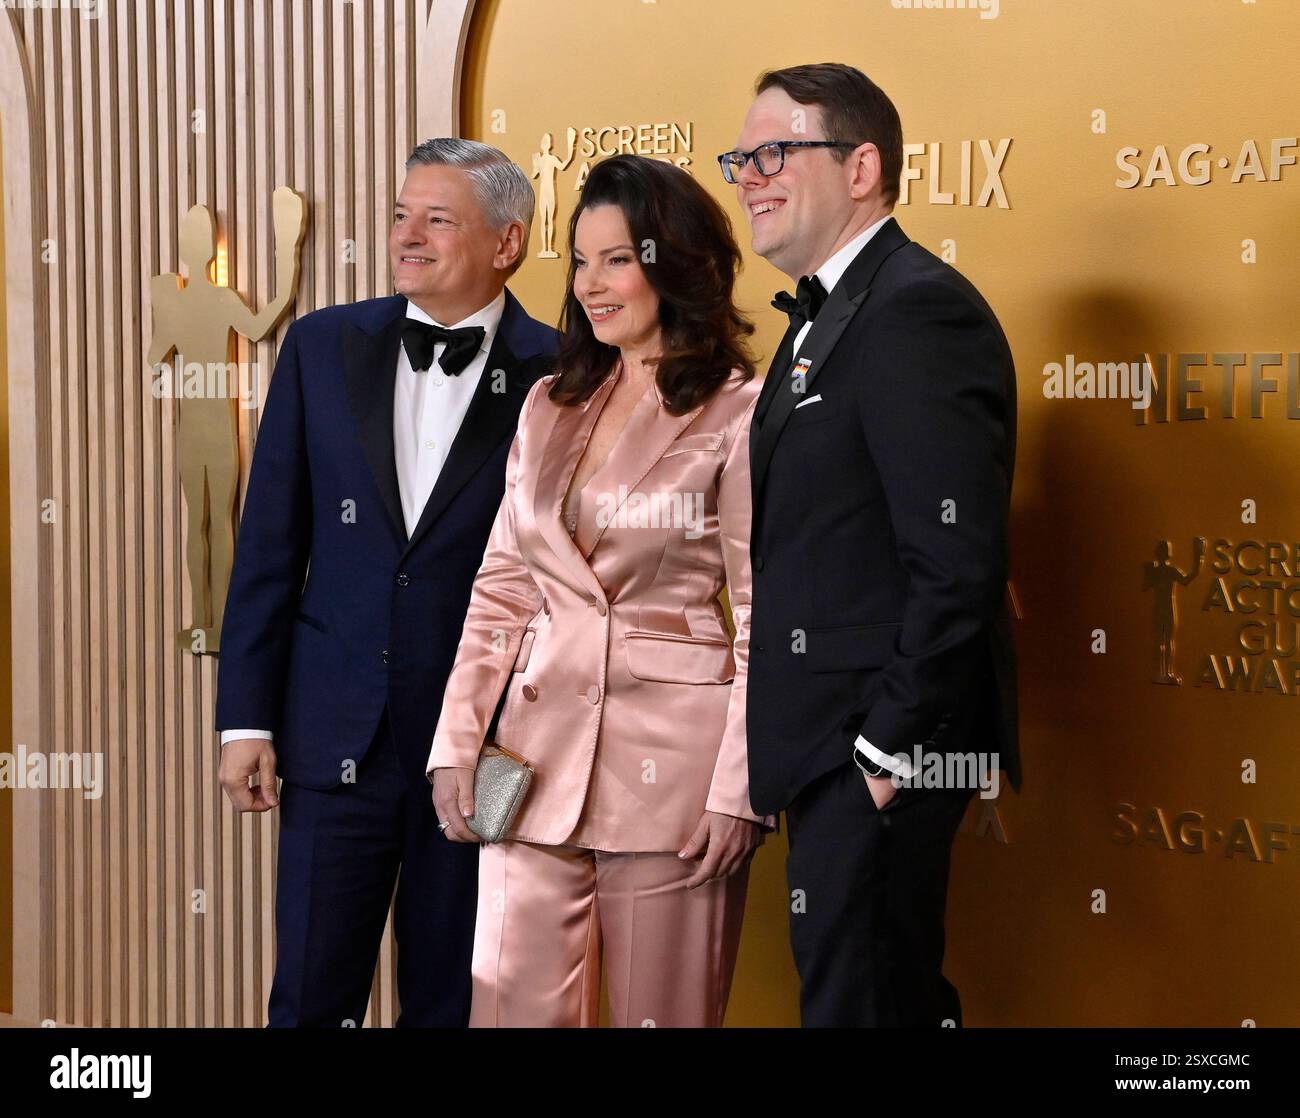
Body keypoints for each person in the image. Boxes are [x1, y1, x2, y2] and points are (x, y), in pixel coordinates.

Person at [215, 139, 558, 1027]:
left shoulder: (563, 373)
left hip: (485, 747)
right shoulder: (321, 344)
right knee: (308, 1000)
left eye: (438, 220)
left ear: (507, 242)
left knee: (452, 1004)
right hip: (333, 737)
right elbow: (267, 547)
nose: (407, 235)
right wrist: (245, 719)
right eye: (403, 214)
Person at [427, 153, 771, 1028]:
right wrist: (456, 744)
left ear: (675, 263)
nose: (591, 284)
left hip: (672, 778)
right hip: (529, 767)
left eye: (617, 259)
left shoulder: (740, 410)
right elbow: (502, 588)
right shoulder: (549, 401)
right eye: (580, 262)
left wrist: (739, 788)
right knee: (508, 1014)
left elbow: (763, 616)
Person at [722, 63, 1020, 1027]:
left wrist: (883, 754)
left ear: (862, 169)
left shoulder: (915, 310)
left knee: (867, 1003)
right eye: (742, 159)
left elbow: (956, 566)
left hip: (885, 749)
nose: (750, 176)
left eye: (776, 151)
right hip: (827, 748)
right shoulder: (829, 315)